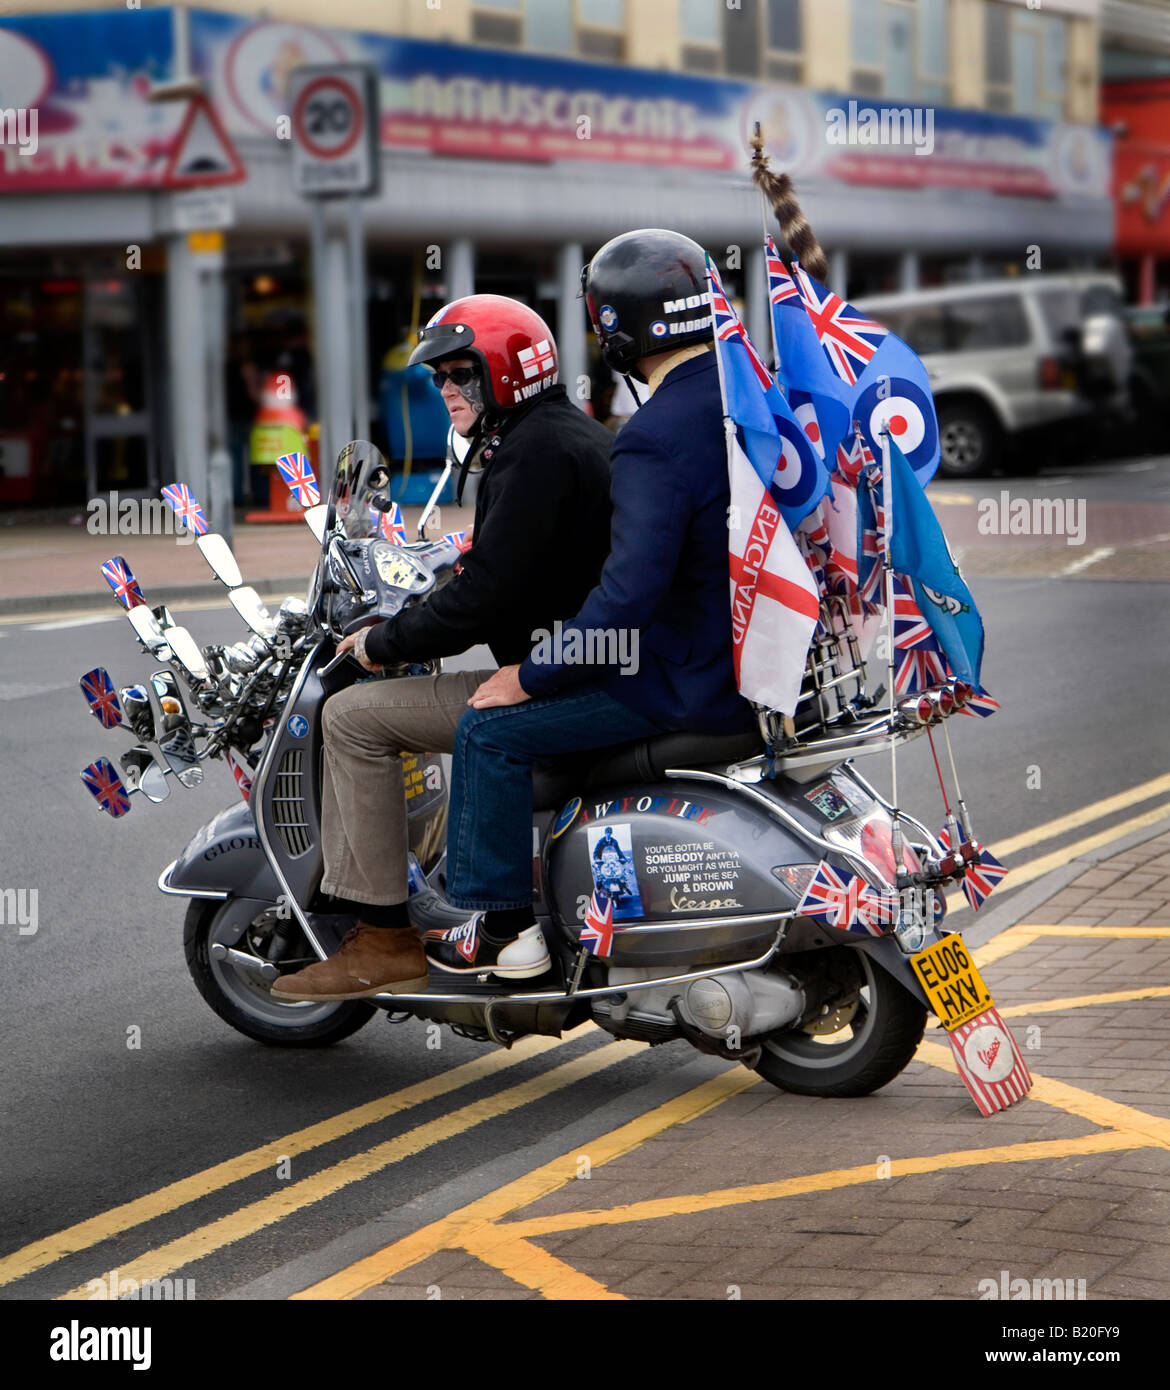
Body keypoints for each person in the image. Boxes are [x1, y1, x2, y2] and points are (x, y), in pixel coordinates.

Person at [421, 229, 757, 977]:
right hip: (753, 661)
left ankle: (504, 934)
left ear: (616, 330)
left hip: (682, 679)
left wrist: (531, 675)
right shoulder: (751, 403)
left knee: (487, 728)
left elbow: (627, 598)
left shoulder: (655, 436)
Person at [270, 294, 615, 1001]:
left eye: (461, 373)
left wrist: (383, 643)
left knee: (353, 719)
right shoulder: (559, 437)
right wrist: (424, 600)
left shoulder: (534, 452)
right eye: (438, 379)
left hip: (567, 681)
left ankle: (384, 938)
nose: (447, 389)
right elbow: (502, 569)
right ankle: (440, 890)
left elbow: (488, 593)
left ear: (506, 371)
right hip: (589, 664)